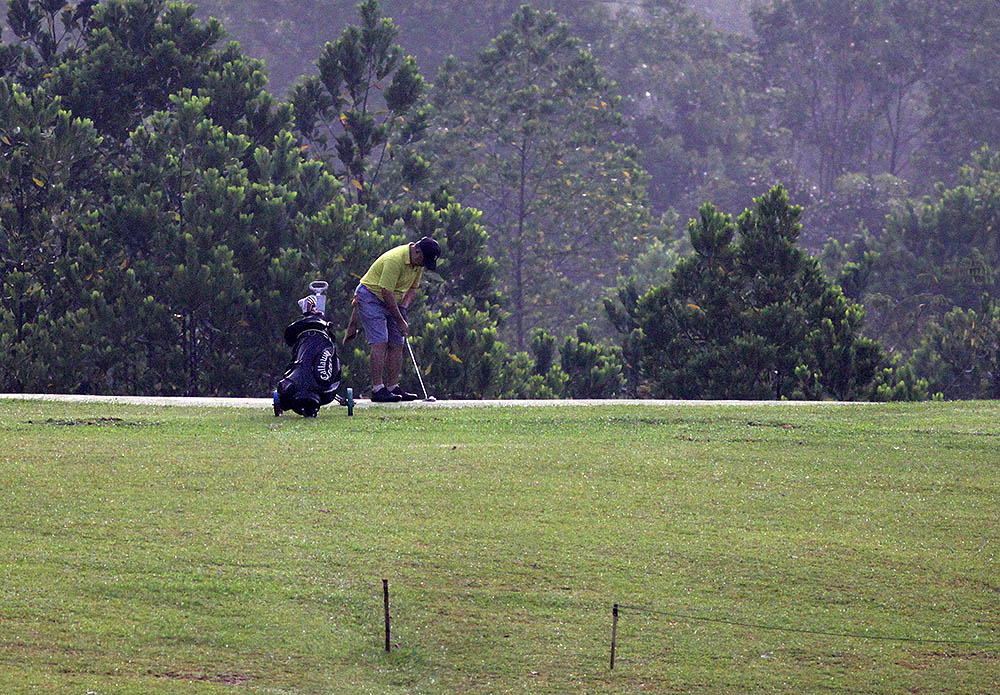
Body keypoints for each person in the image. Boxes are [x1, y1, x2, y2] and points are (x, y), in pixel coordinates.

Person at [354, 236, 440, 402]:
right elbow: (386, 292)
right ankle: (378, 389)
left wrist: (403, 308)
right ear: (416, 251)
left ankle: (393, 387)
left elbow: (413, 289)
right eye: (423, 260)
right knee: (380, 341)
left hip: (393, 301)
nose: (423, 264)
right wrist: (399, 319)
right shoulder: (395, 260)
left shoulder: (419, 263)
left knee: (397, 342)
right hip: (371, 296)